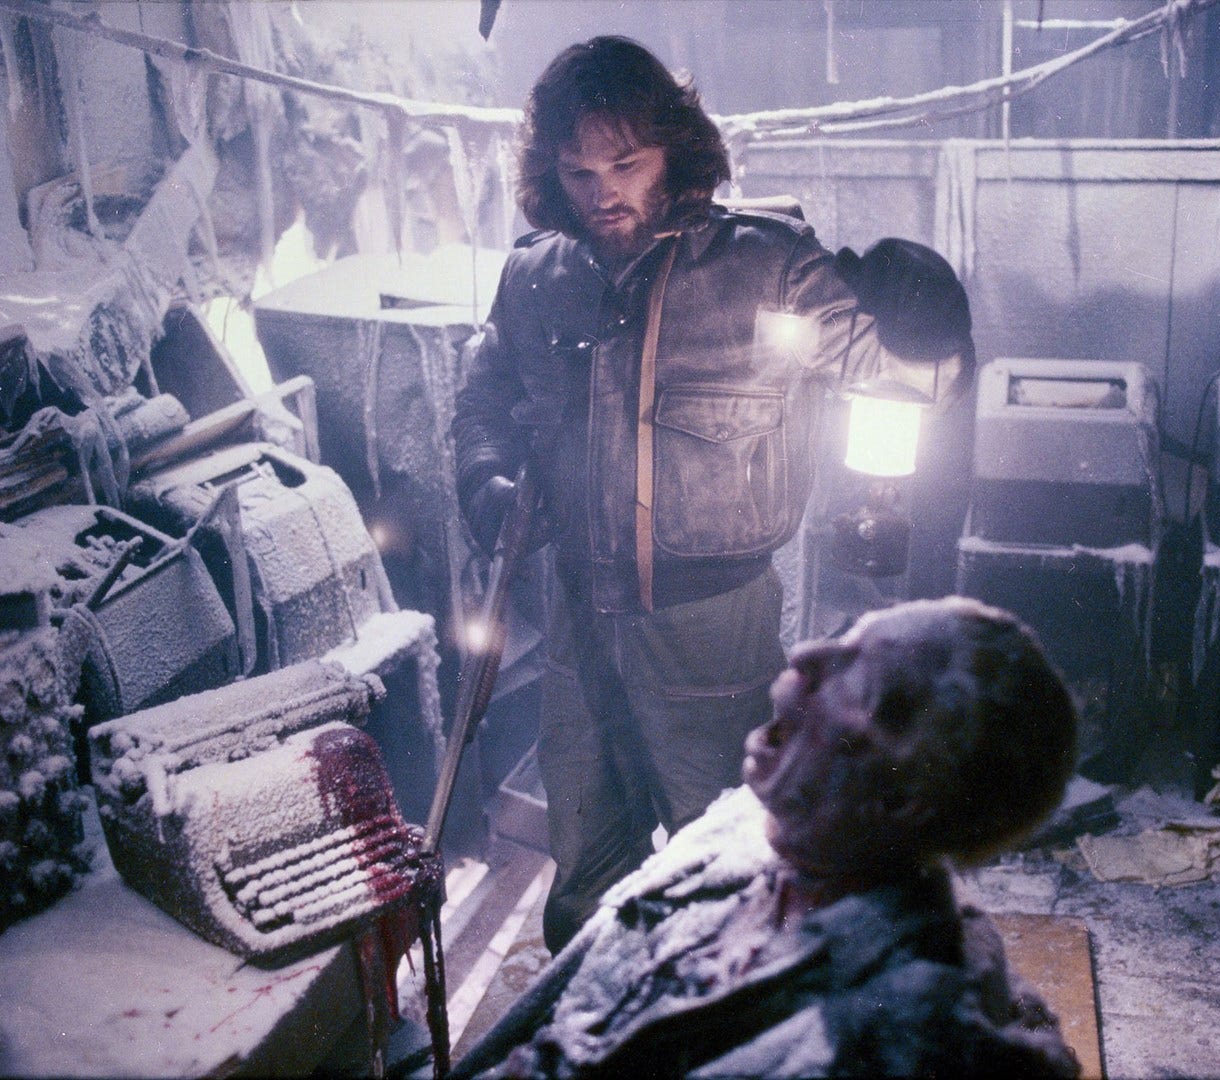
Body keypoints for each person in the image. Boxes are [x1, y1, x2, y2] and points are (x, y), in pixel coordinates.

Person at [451, 36, 969, 952]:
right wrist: (485, 480)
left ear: (676, 151)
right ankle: (599, 1006)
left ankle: (723, 1010)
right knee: (586, 873)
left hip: (712, 633)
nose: (603, 193)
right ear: (549, 172)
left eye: (627, 164)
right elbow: (483, 395)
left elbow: (912, 379)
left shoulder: (766, 270)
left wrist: (921, 316)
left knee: (732, 873)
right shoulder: (535, 280)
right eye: (578, 172)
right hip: (576, 623)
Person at [451, 596, 1082, 1079]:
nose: (804, 655)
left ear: (904, 798)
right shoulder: (737, 833)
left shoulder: (888, 1034)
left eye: (853, 673)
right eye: (843, 638)